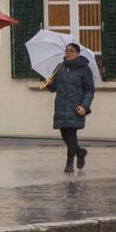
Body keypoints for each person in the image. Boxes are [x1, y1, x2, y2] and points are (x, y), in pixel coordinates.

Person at [41, 42, 94, 173]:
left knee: (71, 134)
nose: (68, 53)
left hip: (76, 107)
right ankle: (80, 152)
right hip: (61, 106)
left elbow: (89, 90)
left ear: (77, 53)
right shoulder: (59, 68)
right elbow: (53, 89)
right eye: (66, 51)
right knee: (65, 134)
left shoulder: (84, 69)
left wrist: (84, 106)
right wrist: (48, 83)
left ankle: (69, 163)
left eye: (71, 51)